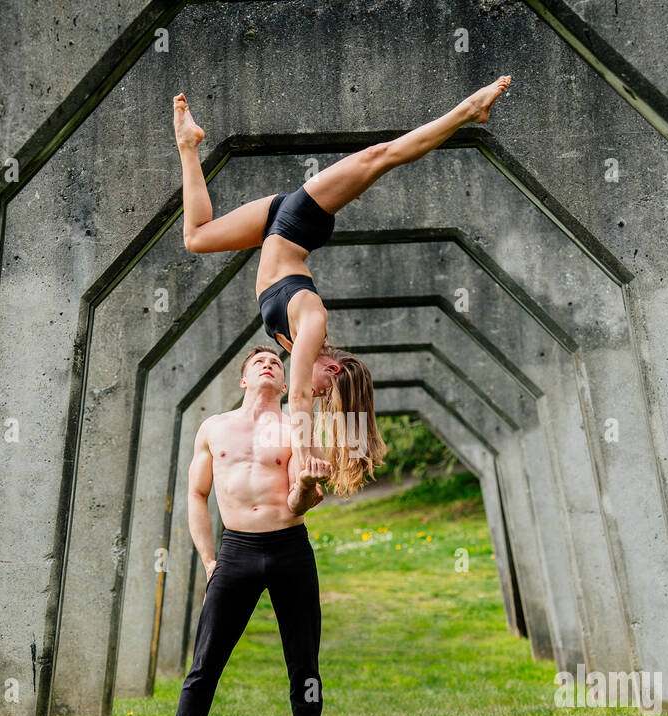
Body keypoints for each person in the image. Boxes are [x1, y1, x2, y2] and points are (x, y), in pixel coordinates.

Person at [171, 76, 512, 495]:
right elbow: (296, 396)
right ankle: (468, 110)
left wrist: (323, 452)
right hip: (299, 220)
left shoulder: (296, 345)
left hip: (271, 223)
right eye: (324, 390)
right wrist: (310, 448)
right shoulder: (312, 321)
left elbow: (298, 396)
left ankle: (188, 143)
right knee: (379, 156)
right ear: (331, 368)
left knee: (197, 237)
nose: (314, 393)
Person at [164, 345, 333, 716]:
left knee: (304, 662)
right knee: (206, 661)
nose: (269, 363)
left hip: (290, 549)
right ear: (244, 380)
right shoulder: (213, 429)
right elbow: (197, 495)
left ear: (284, 382)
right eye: (259, 361)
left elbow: (297, 503)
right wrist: (208, 560)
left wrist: (309, 487)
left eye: (276, 363)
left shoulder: (296, 428)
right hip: (235, 550)